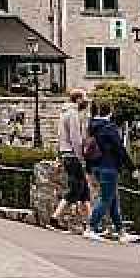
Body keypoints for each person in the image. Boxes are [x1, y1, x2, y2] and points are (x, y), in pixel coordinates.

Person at [83, 103, 132, 241]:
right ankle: (91, 227)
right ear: (110, 113)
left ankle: (120, 231)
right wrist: (132, 167)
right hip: (109, 167)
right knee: (105, 198)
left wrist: (88, 168)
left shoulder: (92, 127)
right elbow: (119, 149)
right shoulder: (109, 128)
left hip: (96, 166)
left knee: (112, 199)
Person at [52, 90, 91, 228]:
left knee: (84, 190)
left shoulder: (64, 113)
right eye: (84, 98)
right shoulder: (73, 114)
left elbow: (59, 137)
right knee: (75, 189)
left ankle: (91, 223)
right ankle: (55, 217)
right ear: (78, 99)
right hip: (73, 156)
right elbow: (75, 139)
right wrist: (81, 158)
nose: (86, 101)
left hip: (66, 154)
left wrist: (58, 156)